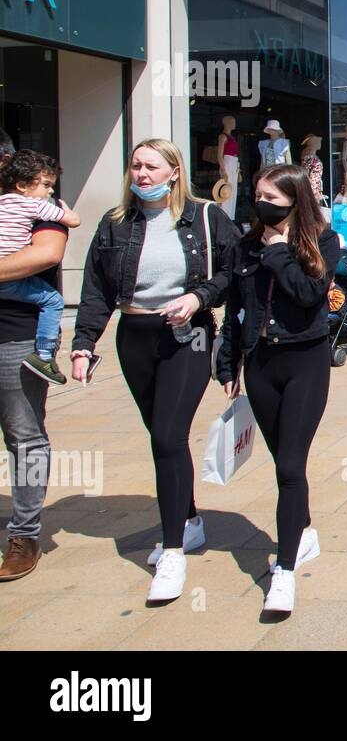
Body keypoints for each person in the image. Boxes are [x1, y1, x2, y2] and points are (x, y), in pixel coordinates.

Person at [73, 139, 240, 602]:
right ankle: (189, 521)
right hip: (135, 336)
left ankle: (172, 552)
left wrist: (198, 298)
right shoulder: (115, 223)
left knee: (167, 436)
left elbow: (234, 272)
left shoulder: (205, 217)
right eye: (135, 166)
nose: (141, 174)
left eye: (151, 166)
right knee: (163, 437)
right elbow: (95, 289)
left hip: (188, 336)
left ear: (174, 172)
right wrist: (83, 344)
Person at [216, 164, 339, 614]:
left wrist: (278, 253)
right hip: (260, 363)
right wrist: (228, 362)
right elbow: (235, 309)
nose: (261, 203)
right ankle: (302, 530)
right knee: (283, 461)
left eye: (271, 196)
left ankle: (284, 570)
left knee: (289, 464)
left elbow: (308, 295)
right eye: (258, 194)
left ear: (294, 200)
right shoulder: (244, 245)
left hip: (306, 361)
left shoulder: (323, 242)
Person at [0, 190, 68, 582]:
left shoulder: (37, 204)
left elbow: (44, 255)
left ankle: (24, 536)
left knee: (24, 438)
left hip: (16, 338)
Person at [0, 151, 81, 383]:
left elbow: (48, 253)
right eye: (46, 185)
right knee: (53, 301)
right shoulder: (34, 206)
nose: (51, 191)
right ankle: (44, 355)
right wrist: (66, 211)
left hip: (13, 321)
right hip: (13, 284)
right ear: (22, 185)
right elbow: (74, 221)